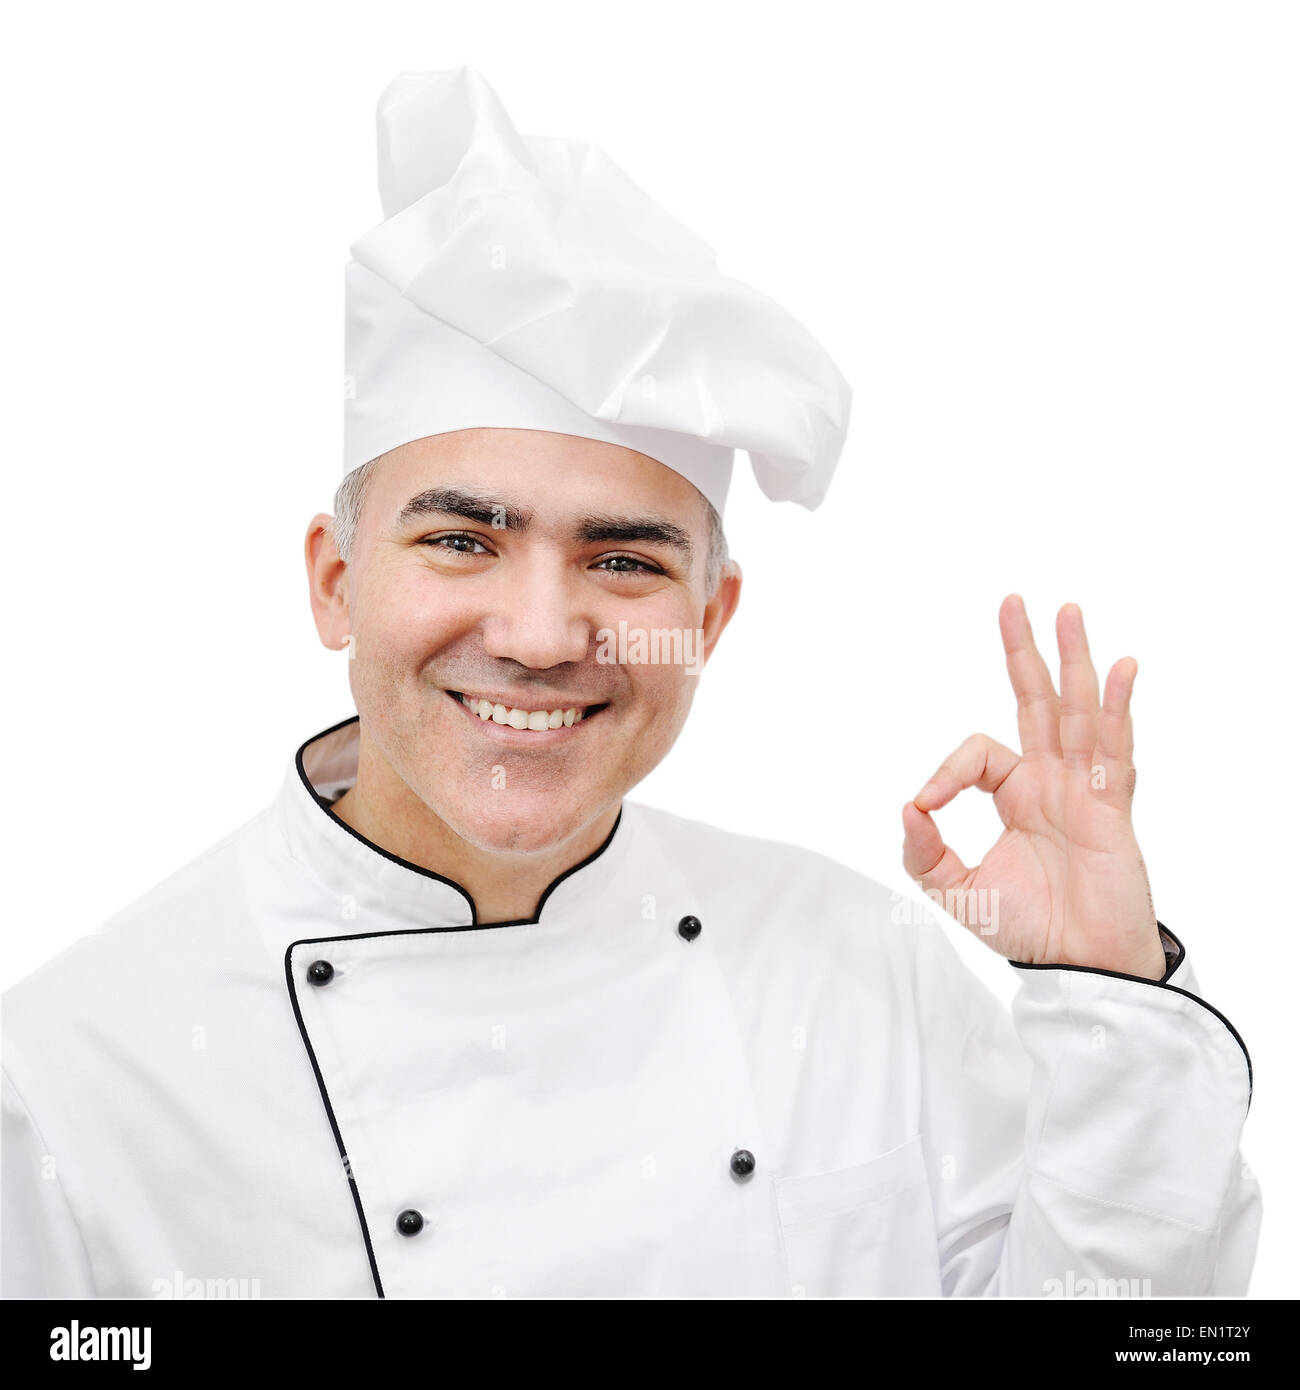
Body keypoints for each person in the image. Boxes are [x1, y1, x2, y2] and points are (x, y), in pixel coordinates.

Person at [1, 67, 1258, 1300]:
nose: (543, 635)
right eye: (461, 540)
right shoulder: (72, 1072)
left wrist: (1110, 1001)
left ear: (709, 618)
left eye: (621, 560)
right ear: (335, 583)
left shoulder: (860, 968)